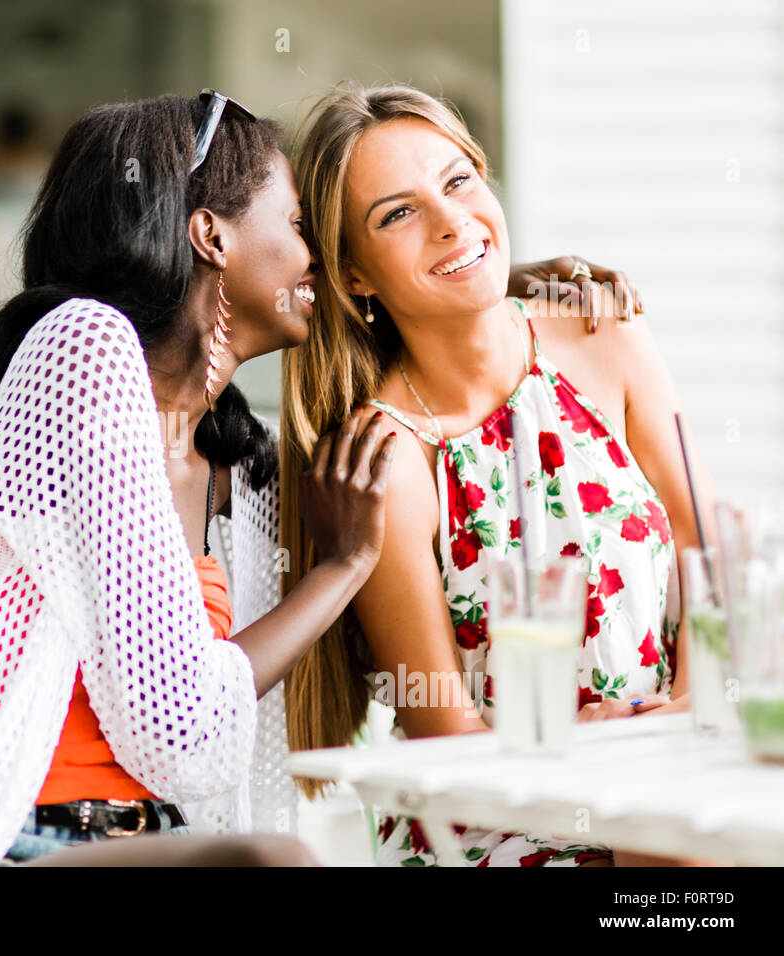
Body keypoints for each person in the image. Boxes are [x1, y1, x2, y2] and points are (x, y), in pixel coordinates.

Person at [0, 90, 398, 867]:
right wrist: (343, 566)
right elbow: (179, 730)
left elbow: (406, 364)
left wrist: (500, 286)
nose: (316, 253)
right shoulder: (80, 350)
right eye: (294, 224)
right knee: (275, 864)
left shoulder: (242, 468)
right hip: (15, 837)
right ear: (210, 234)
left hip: (153, 843)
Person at [281, 83, 718, 867]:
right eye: (398, 214)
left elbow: (709, 544)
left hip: (670, 783)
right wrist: (614, 764)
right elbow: (448, 740)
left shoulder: (603, 330)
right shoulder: (387, 458)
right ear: (354, 277)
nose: (451, 221)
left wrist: (688, 708)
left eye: (457, 182)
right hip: (507, 824)